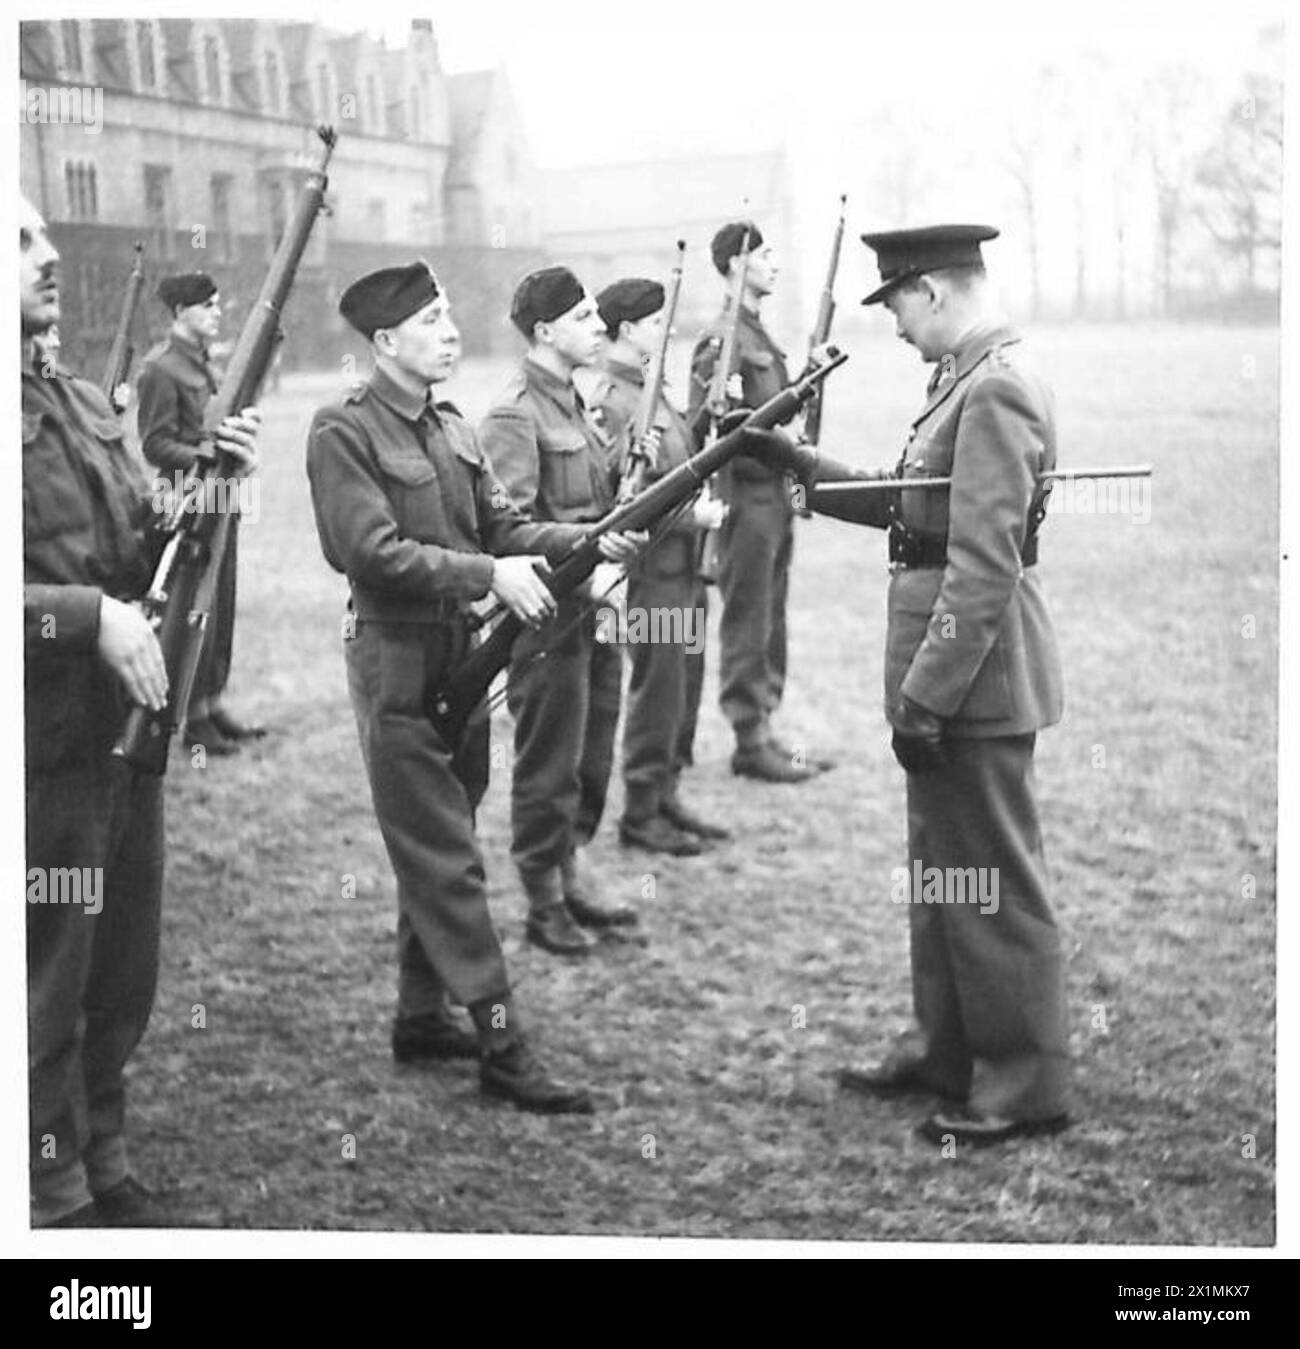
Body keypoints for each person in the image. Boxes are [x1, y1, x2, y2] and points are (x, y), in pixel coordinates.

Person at [752, 224, 1070, 1146]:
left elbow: (981, 562)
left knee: (991, 885)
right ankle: (948, 1052)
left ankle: (1021, 1087)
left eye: (895, 304)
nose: (894, 326)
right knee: (942, 876)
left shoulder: (998, 387)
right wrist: (800, 466)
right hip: (952, 677)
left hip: (974, 679)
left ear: (931, 290)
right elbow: (912, 501)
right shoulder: (964, 380)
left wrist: (926, 695)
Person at [305, 261, 640, 1111]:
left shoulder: (449, 426)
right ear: (384, 342)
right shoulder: (340, 430)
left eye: (450, 314)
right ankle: (501, 1043)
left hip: (463, 656)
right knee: (449, 854)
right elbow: (369, 552)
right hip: (398, 660)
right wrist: (490, 571)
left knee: (441, 832)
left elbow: (505, 523)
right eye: (429, 320)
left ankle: (421, 1014)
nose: (451, 331)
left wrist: (592, 541)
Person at [22, 196, 261, 1226]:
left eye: (39, 236)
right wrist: (85, 619)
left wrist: (215, 481)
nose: (44, 256)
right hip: (36, 749)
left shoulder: (76, 398)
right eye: (20, 242)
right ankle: (48, 1180)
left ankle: (102, 1151)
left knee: (120, 964)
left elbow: (142, 535)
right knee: (44, 966)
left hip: (124, 734)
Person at [479, 267, 642, 955]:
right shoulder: (516, 413)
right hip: (547, 619)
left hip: (593, 609)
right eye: (582, 317)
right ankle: (544, 898)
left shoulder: (574, 403)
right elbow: (506, 529)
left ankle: (570, 871)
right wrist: (590, 543)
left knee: (590, 753)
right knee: (548, 761)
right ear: (545, 331)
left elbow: (596, 500)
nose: (598, 326)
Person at [688, 221, 831, 784]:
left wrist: (810, 374)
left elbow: (776, 413)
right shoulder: (722, 342)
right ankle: (749, 736)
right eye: (764, 255)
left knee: (770, 613)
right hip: (743, 498)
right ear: (735, 265)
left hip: (773, 495)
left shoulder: (756, 337)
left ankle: (764, 728)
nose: (775, 263)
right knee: (748, 615)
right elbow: (715, 430)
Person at [592, 277, 730, 855]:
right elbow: (613, 502)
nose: (665, 332)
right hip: (650, 572)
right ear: (626, 330)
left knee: (680, 686)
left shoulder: (652, 390)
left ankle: (666, 791)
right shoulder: (614, 400)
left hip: (680, 570)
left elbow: (672, 462)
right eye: (654, 324)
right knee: (657, 689)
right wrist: (688, 517)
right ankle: (642, 810)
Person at [136, 271, 264, 755]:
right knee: (191, 605)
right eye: (206, 306)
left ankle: (211, 702)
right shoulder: (160, 368)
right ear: (178, 313)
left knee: (220, 603)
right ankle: (189, 714)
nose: (216, 312)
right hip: (186, 498)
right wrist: (209, 456)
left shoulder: (204, 363)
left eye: (216, 304)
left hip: (220, 495)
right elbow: (154, 444)